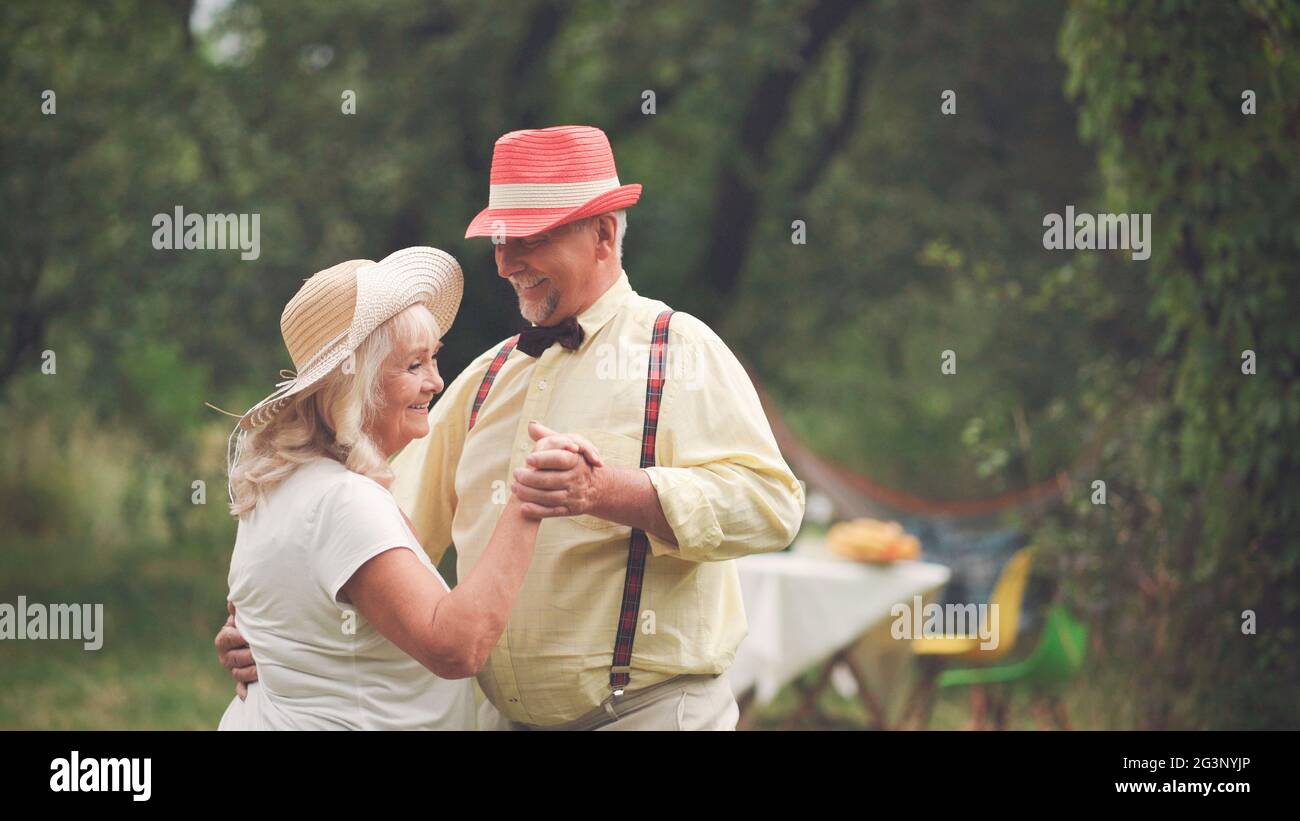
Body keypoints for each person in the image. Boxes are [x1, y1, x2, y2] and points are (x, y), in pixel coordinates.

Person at [218, 126, 806, 730]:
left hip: (648, 715)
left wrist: (607, 493)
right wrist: (269, 625)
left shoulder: (678, 350)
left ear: (603, 233)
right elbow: (376, 531)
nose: (505, 262)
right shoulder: (484, 379)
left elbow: (772, 507)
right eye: (500, 239)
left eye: (530, 238)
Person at [213, 247, 599, 729]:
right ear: (354, 387)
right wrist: (528, 499)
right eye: (413, 365)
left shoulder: (276, 485)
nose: (436, 382)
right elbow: (458, 647)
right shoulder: (344, 501)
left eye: (433, 359)